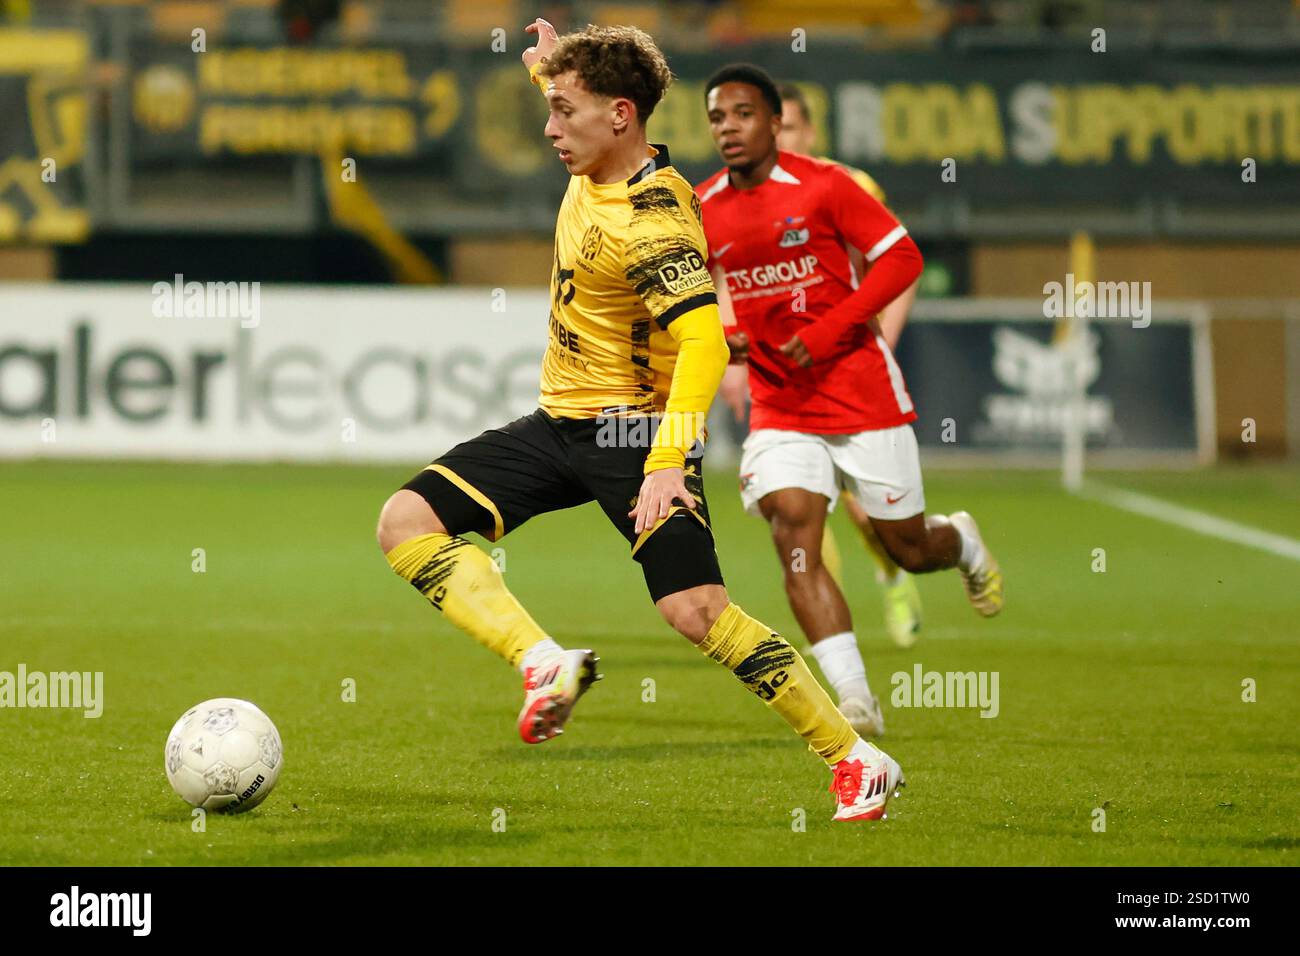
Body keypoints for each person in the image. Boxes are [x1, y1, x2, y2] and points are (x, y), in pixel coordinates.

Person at [375, 24, 904, 822]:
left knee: (696, 612)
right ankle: (544, 661)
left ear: (620, 115)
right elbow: (578, 104)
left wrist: (666, 463)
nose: (549, 128)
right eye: (548, 109)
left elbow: (700, 342)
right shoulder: (596, 148)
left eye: (563, 111)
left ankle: (856, 759)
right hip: (559, 423)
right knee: (406, 521)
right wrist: (548, 67)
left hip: (634, 436)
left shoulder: (652, 222)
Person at [696, 63, 1003, 736]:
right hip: (781, 404)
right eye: (717, 117)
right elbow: (699, 295)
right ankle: (855, 699)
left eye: (743, 114)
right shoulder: (704, 207)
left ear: (776, 122)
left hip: (860, 391)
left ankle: (964, 543)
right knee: (793, 526)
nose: (728, 128)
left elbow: (903, 259)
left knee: (907, 547)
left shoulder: (827, 187)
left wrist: (832, 328)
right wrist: (726, 341)